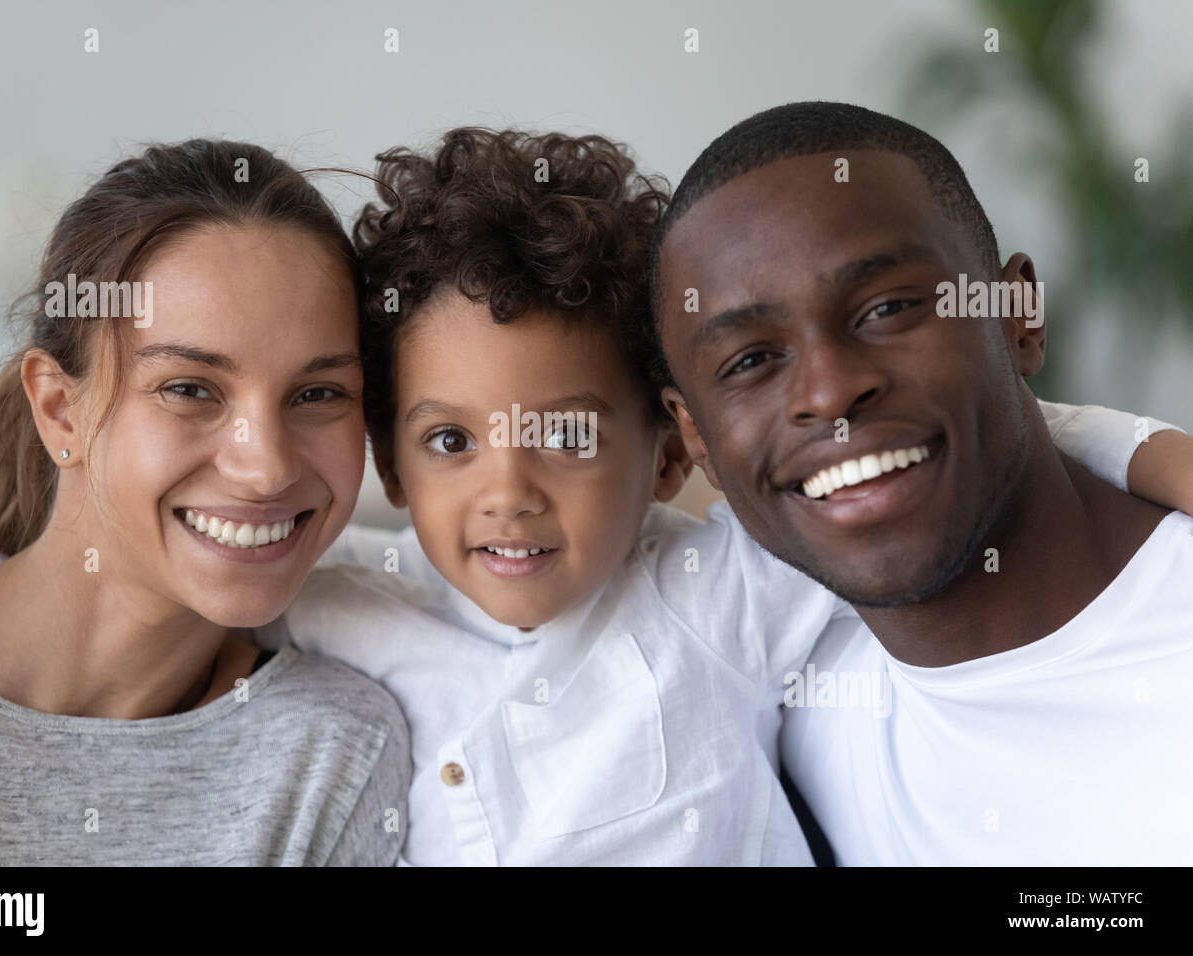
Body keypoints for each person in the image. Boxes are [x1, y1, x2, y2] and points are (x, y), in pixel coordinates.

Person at [260, 128, 1183, 864]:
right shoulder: (344, 601)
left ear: (671, 456)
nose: (507, 492)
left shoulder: (722, 590)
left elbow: (936, 451)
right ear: (391, 463)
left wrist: (1146, 451)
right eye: (449, 442)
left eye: (569, 434)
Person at [649, 101, 1193, 864]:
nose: (828, 392)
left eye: (888, 309)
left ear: (1018, 314)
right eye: (750, 361)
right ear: (694, 437)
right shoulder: (765, 693)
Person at [0, 140, 410, 865]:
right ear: (59, 411)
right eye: (190, 389)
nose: (264, 468)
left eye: (317, 394)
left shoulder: (329, 756)